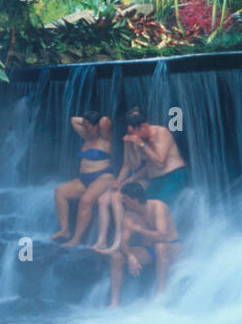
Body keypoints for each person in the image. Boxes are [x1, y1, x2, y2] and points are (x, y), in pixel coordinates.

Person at [92, 108, 188, 250]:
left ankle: (169, 247)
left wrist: (142, 145)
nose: (132, 135)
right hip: (155, 180)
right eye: (130, 132)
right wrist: (130, 146)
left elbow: (160, 162)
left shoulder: (161, 133)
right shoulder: (137, 138)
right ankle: (121, 243)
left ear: (143, 127)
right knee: (136, 206)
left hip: (174, 177)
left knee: (154, 209)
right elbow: (133, 164)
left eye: (134, 132)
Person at [96, 183, 181, 307]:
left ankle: (161, 295)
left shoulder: (158, 207)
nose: (123, 202)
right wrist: (130, 257)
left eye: (125, 199)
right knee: (117, 257)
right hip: (150, 250)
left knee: (160, 246)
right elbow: (123, 244)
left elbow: (162, 236)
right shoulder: (129, 215)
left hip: (172, 248)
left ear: (134, 200)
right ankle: (114, 303)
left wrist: (137, 229)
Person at [50, 111, 116, 245]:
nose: (86, 128)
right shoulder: (87, 137)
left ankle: (76, 239)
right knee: (60, 191)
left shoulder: (106, 138)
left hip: (103, 177)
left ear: (97, 126)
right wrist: (87, 121)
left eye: (89, 126)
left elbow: (104, 120)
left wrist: (96, 119)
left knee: (86, 200)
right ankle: (65, 230)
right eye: (84, 125)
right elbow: (73, 120)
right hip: (83, 179)